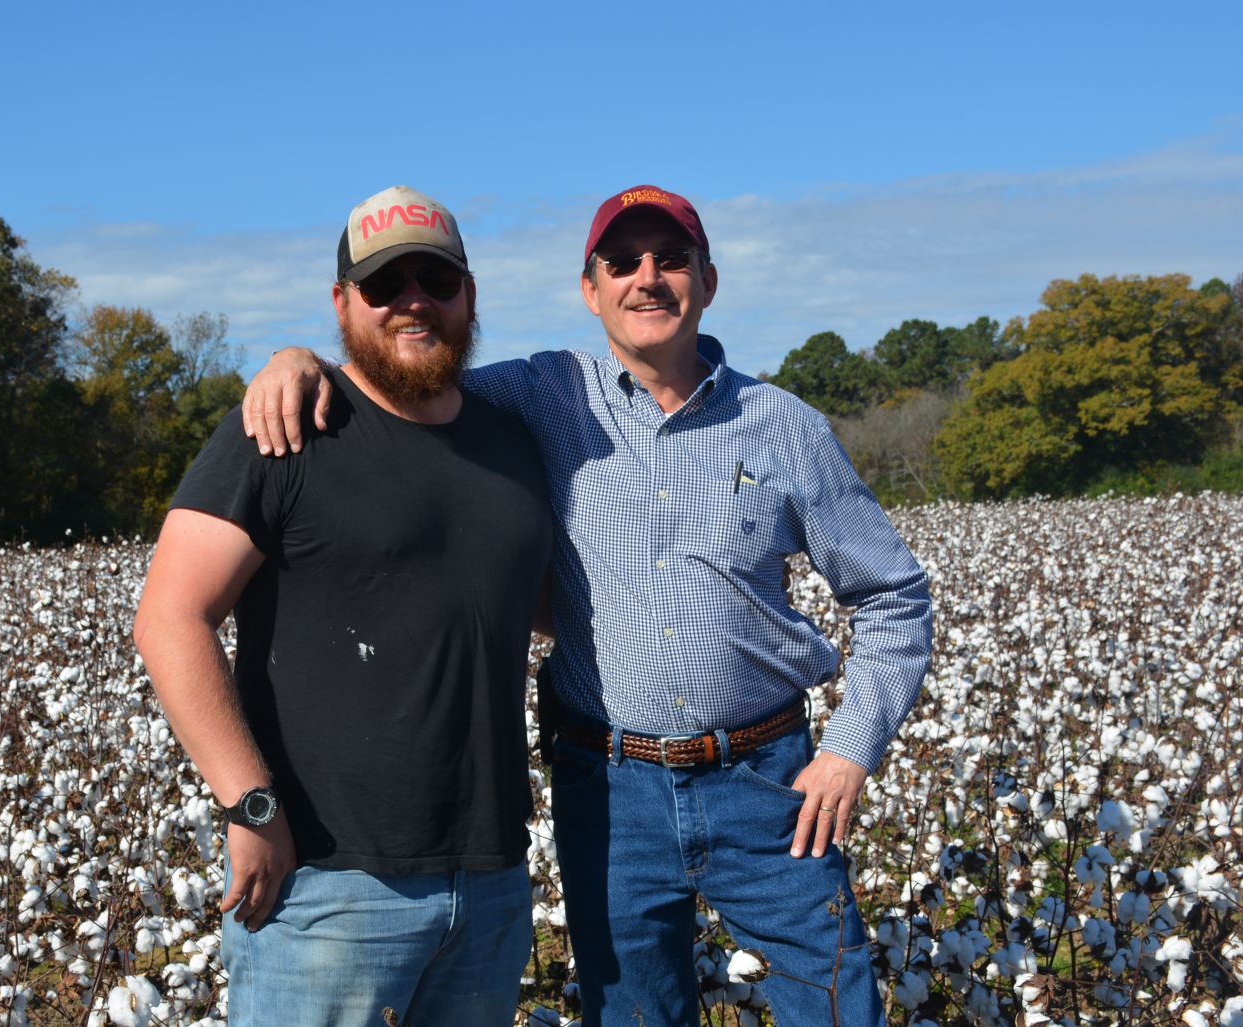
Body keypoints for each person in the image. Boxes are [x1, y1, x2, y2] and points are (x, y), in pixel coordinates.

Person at [242, 184, 933, 1026]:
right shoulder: (540, 394)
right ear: (589, 287)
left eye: (671, 260)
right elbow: (402, 372)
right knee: (633, 1013)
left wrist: (851, 751)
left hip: (771, 784)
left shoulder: (783, 425)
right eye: (623, 262)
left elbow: (894, 595)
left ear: (708, 281)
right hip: (609, 793)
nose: (648, 279)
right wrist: (298, 359)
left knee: (836, 1005)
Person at [134, 184, 553, 1026]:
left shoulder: (514, 440)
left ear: (469, 294)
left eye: (436, 280)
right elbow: (168, 616)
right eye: (383, 284)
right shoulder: (285, 429)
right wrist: (249, 803)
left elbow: (546, 605)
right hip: (325, 887)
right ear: (341, 302)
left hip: (493, 881)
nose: (414, 301)